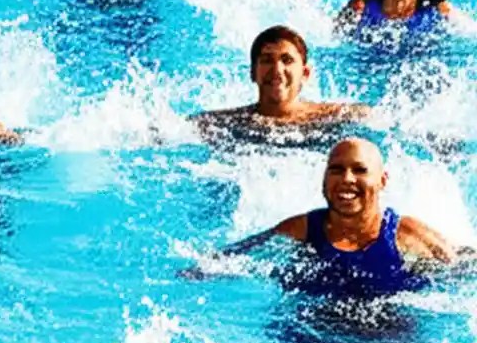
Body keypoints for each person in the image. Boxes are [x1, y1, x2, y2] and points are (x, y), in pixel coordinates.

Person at [190, 138, 459, 298]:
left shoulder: (407, 235)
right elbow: (231, 259)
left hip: (385, 338)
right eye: (336, 170)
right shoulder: (300, 229)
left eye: (360, 170)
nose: (347, 180)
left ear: (382, 181)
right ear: (324, 178)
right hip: (313, 333)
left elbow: (460, 268)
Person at [193, 26, 372, 137]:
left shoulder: (332, 117)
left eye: (287, 60)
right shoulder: (226, 124)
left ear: (305, 73)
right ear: (252, 73)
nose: (277, 70)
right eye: (266, 60)